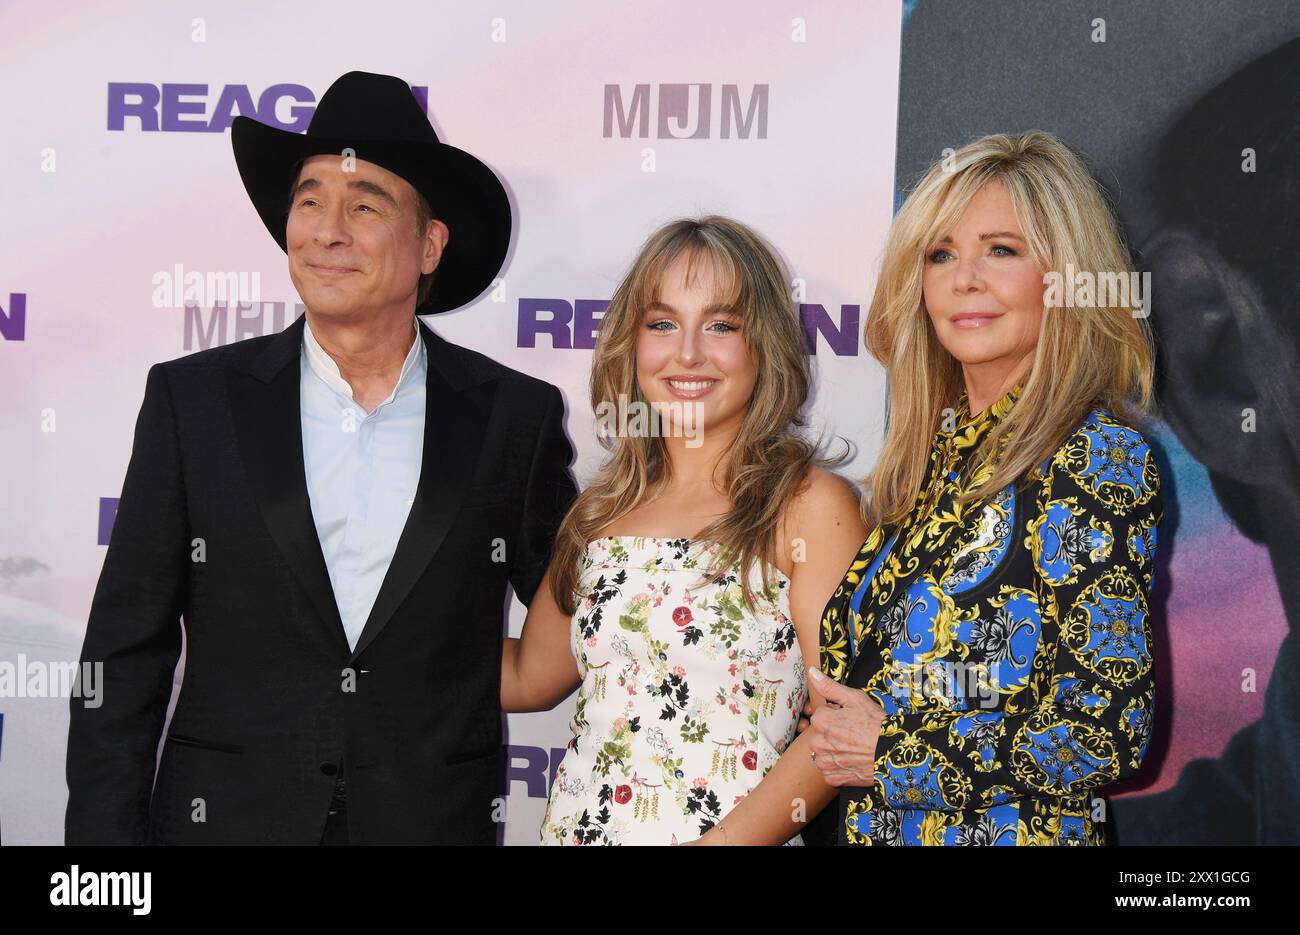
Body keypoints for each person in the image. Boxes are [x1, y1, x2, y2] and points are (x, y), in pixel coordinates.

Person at [65, 71, 578, 844]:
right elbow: (124, 656)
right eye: (309, 200)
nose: (325, 230)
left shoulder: (513, 417)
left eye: (365, 204)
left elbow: (592, 616)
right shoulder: (194, 402)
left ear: (430, 244)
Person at [804, 131, 1164, 845]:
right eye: (940, 254)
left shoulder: (1098, 456)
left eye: (1002, 249)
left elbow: (1106, 729)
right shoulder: (931, 460)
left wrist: (897, 753)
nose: (964, 278)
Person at [500, 216, 867, 844]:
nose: (688, 351)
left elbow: (839, 722)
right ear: (631, 343)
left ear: (767, 345)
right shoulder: (602, 510)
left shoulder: (809, 505)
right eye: (662, 323)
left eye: (722, 325)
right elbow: (530, 678)